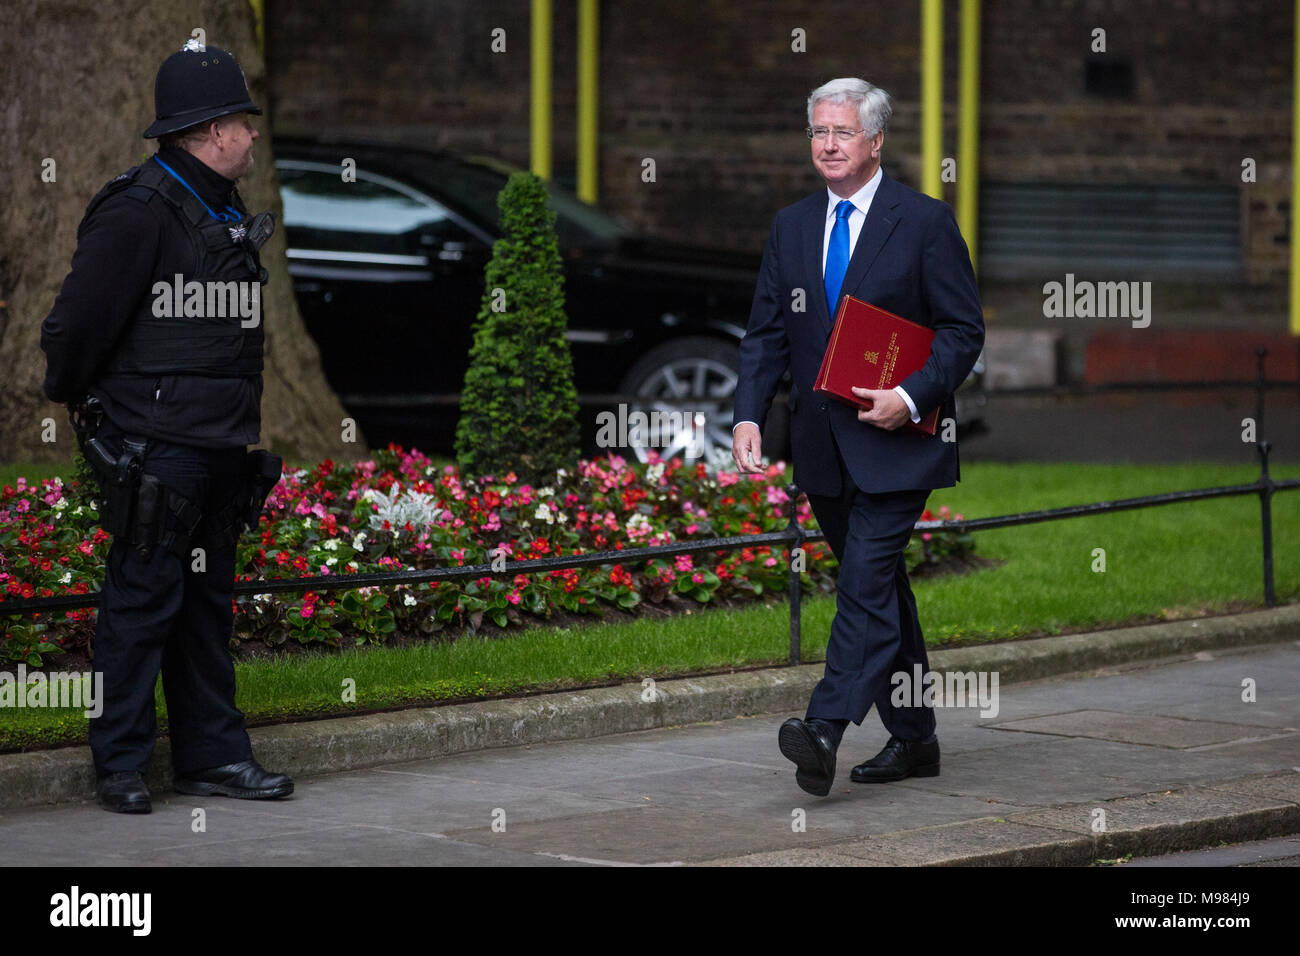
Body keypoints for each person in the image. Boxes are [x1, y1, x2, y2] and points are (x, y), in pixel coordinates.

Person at [40, 40, 293, 813]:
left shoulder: (222, 206)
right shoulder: (138, 210)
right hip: (158, 451)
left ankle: (211, 757)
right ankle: (118, 766)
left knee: (204, 607)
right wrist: (89, 407)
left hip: (216, 446)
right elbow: (75, 329)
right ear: (211, 131)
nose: (254, 135)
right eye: (244, 123)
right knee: (142, 605)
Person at [732, 77, 984, 797]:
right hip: (823, 449)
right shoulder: (791, 225)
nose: (829, 145)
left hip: (901, 443)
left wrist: (910, 397)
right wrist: (750, 414)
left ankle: (824, 729)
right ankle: (915, 738)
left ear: (876, 142)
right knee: (884, 596)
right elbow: (767, 335)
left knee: (863, 587)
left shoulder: (926, 222)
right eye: (819, 132)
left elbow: (963, 332)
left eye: (843, 133)